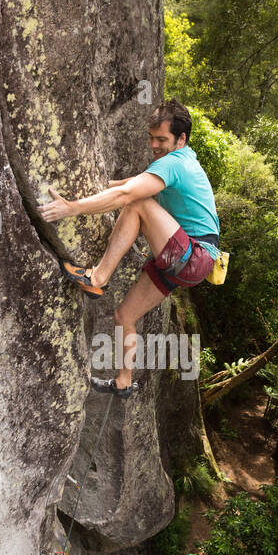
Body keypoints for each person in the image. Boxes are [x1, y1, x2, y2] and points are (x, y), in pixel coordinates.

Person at [39, 99, 221, 400]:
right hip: (186, 263)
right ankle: (124, 382)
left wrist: (73, 208)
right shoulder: (178, 161)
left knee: (136, 204)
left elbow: (127, 194)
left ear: (181, 138)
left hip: (193, 256)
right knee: (124, 316)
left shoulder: (177, 163)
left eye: (161, 139)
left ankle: (97, 278)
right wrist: (92, 189)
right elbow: (131, 182)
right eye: (151, 137)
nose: (154, 144)